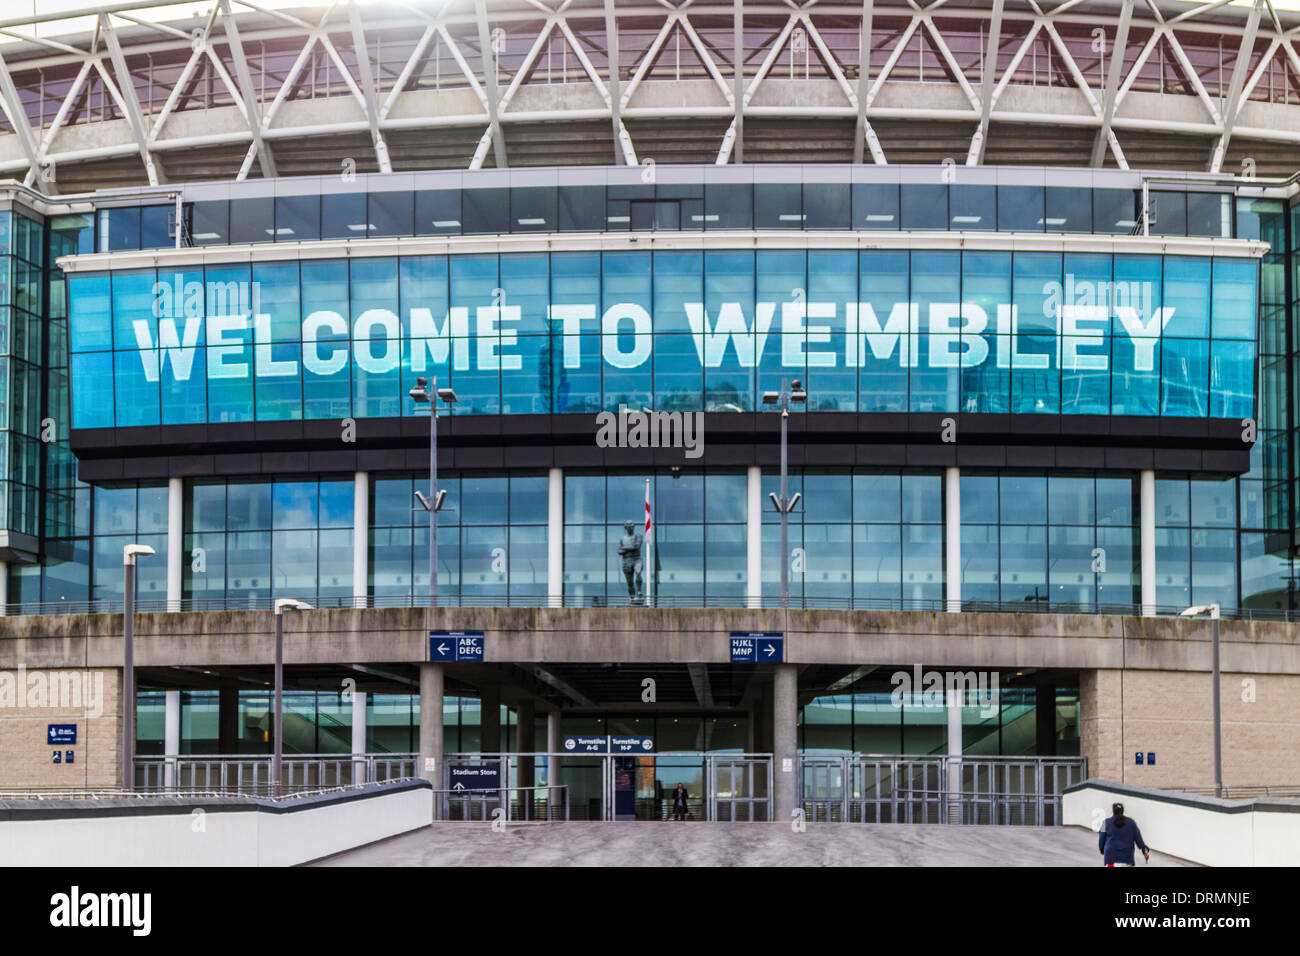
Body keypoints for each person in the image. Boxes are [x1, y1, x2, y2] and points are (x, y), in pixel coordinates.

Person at [1098, 802, 1150, 866]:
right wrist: (1144, 850)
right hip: (1127, 858)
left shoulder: (1105, 822)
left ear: (1113, 811)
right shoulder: (1131, 822)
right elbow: (1138, 838)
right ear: (1123, 811)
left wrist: (1102, 850)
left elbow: (1101, 838)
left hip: (1111, 858)